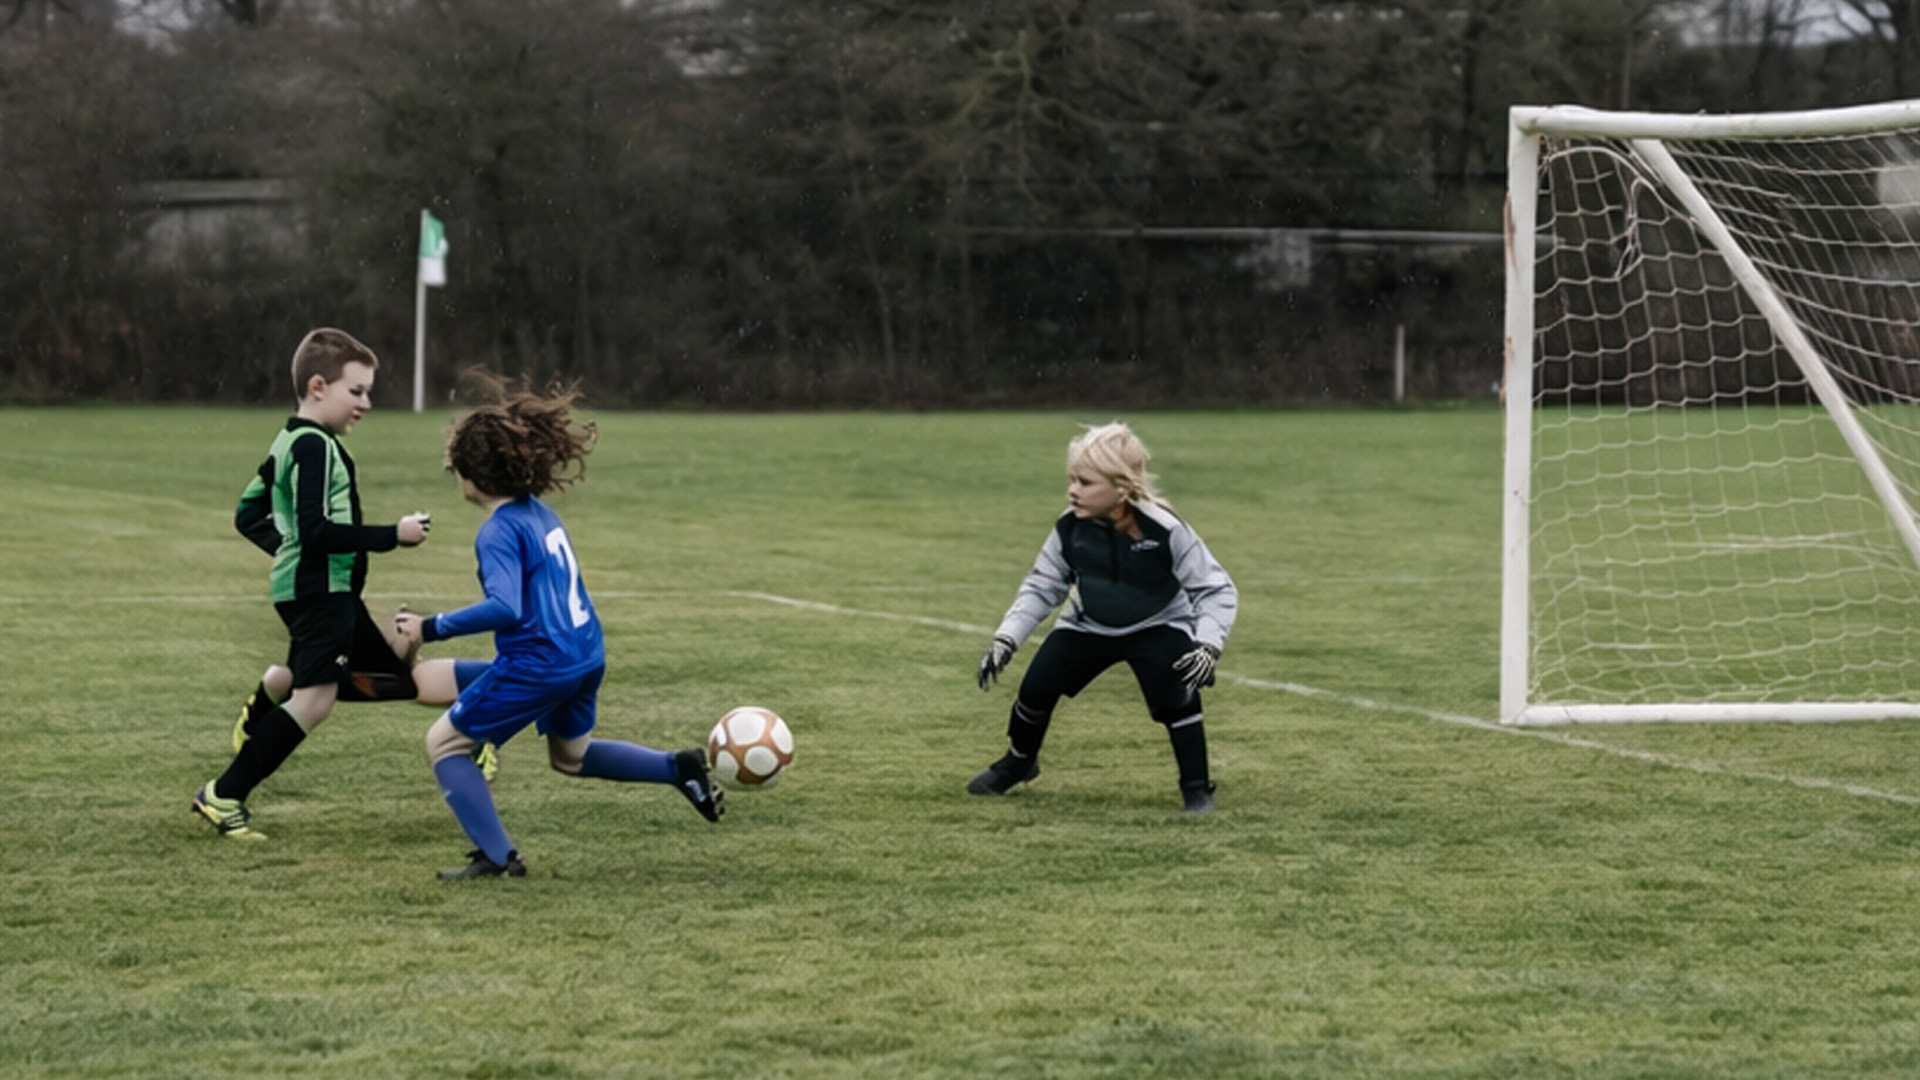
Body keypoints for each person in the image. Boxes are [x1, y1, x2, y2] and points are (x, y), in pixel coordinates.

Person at [394, 372, 722, 881]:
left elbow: (506, 608)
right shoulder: (538, 513)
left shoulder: (497, 531)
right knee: (570, 757)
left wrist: (428, 626)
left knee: (445, 744)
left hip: (541, 663)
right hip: (583, 653)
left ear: (471, 474)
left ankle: (499, 858)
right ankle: (674, 768)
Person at [192, 328, 438, 841]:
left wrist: (288, 549)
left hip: (329, 592)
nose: (367, 403)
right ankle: (224, 794)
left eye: (369, 392)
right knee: (317, 700)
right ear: (318, 386)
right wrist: (394, 535)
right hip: (319, 594)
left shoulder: (291, 440)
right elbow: (317, 531)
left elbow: (248, 512)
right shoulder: (312, 446)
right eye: (357, 391)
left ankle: (270, 694)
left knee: (394, 677)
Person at [972, 422, 1238, 814]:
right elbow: (1043, 585)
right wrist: (1006, 638)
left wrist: (1207, 646)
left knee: (1178, 695)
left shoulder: (1165, 528)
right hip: (1088, 625)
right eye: (1072, 480)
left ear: (1122, 485)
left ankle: (1196, 789)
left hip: (1159, 623)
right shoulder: (1068, 528)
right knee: (1036, 690)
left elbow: (1215, 589)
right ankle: (1020, 761)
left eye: (1085, 481)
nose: (1073, 490)